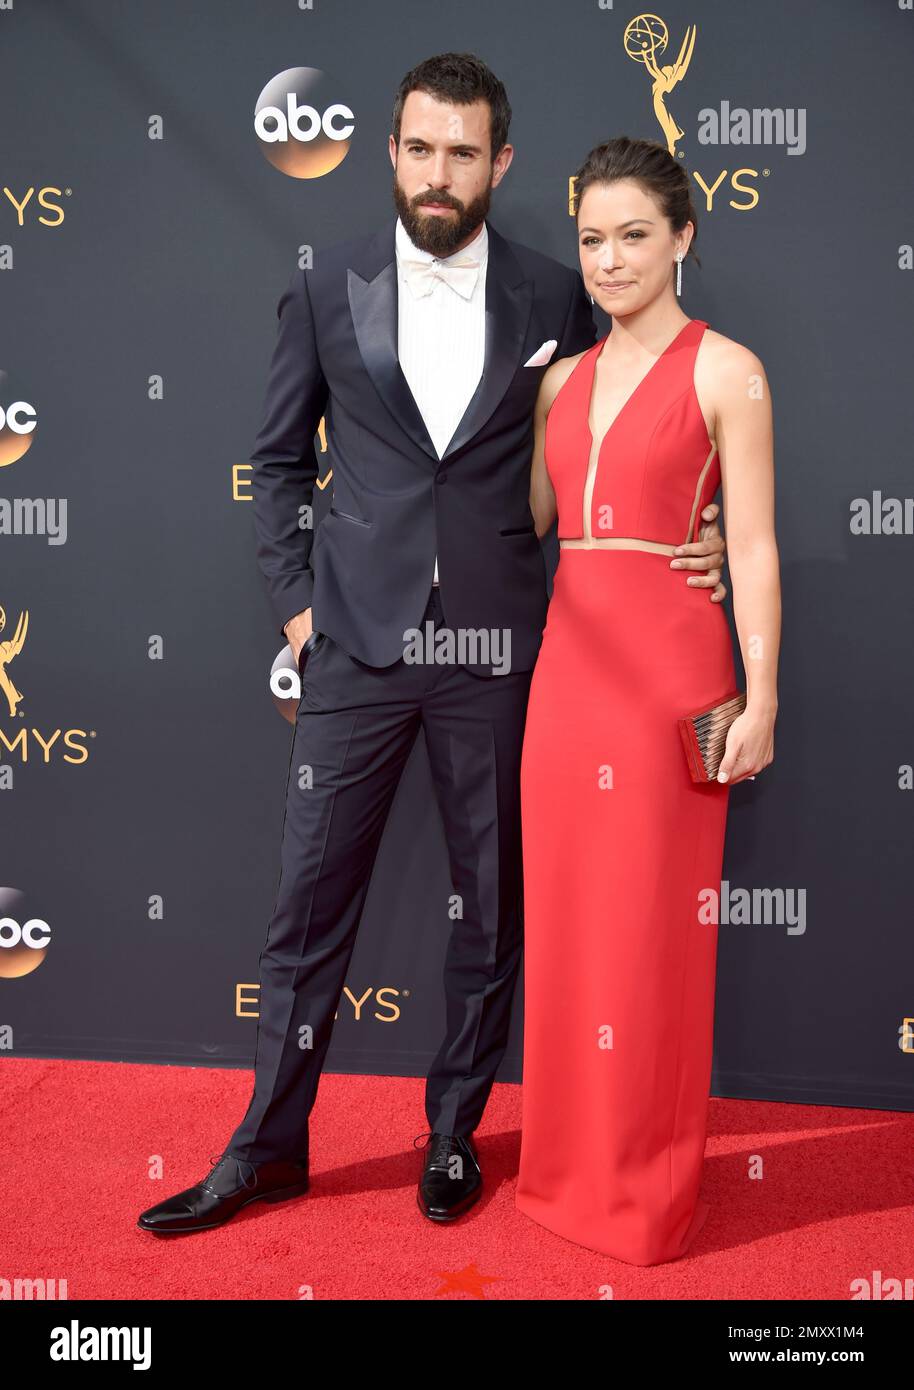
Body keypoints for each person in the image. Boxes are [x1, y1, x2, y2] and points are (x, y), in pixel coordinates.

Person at [137, 58, 727, 1238]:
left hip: (507, 650)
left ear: (500, 164)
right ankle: (267, 1145)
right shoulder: (323, 285)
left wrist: (697, 528)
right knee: (306, 904)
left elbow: (636, 418)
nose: (438, 172)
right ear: (389, 152)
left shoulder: (559, 293)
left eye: (464, 152)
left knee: (487, 905)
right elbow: (275, 464)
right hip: (354, 643)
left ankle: (452, 1131)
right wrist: (301, 614)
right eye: (420, 148)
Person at [515, 136, 780, 1265]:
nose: (608, 259)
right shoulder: (558, 380)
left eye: (632, 235)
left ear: (681, 237)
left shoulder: (728, 369)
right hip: (566, 683)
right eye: (589, 238)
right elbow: (529, 519)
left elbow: (755, 545)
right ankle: (564, 1171)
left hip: (671, 674)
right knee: (571, 930)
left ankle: (644, 1193)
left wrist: (761, 694)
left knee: (651, 940)